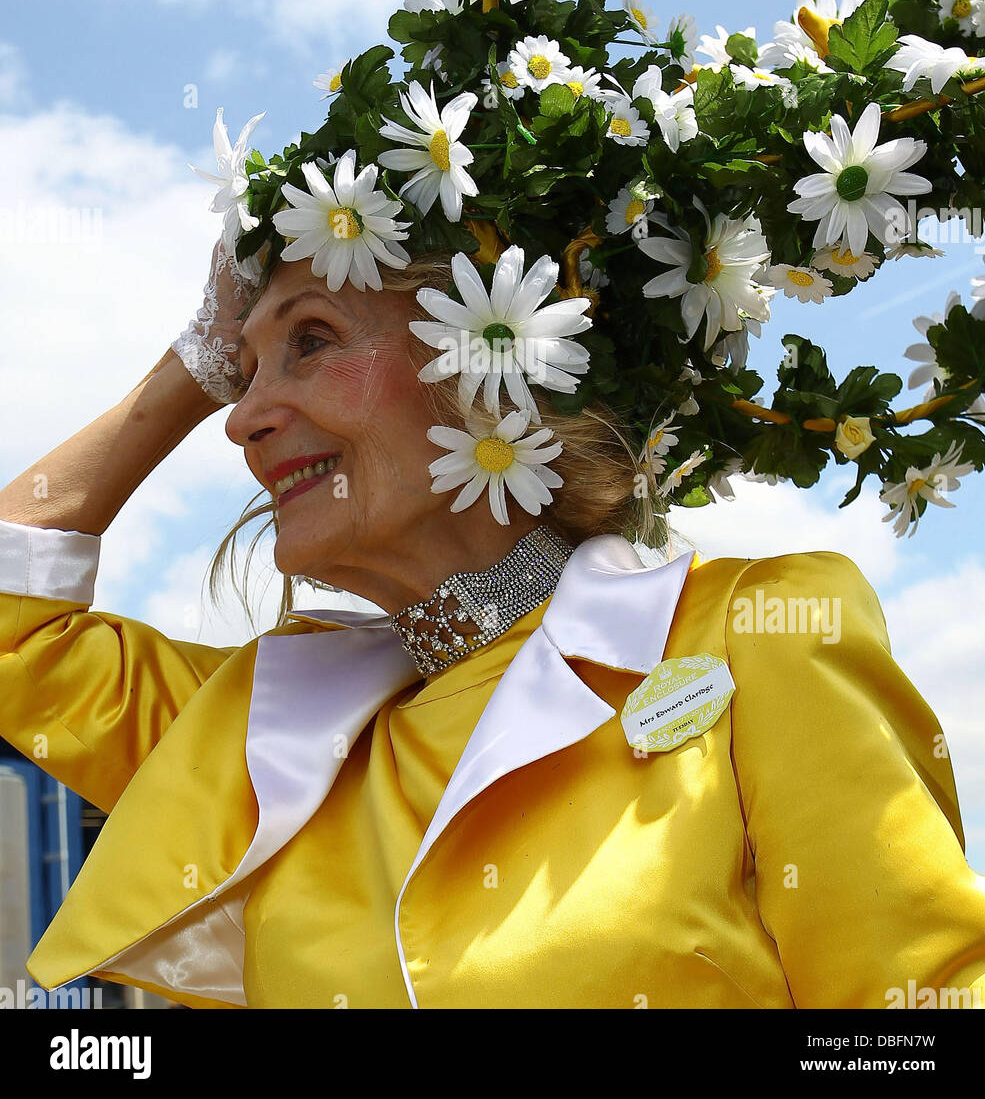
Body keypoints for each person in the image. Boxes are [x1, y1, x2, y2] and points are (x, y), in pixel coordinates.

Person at [1, 235, 984, 1011]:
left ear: (488, 360)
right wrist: (192, 360)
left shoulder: (755, 632)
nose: (241, 417)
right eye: (242, 368)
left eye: (309, 340)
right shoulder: (257, 738)